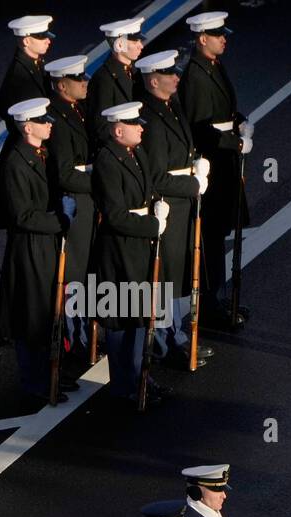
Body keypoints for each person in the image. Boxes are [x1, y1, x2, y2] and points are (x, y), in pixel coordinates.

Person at [138, 50, 212, 367]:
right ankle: (166, 342)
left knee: (179, 273)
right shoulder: (153, 121)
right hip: (169, 205)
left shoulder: (171, 107)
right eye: (170, 74)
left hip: (182, 205)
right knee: (165, 276)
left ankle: (176, 336)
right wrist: (193, 184)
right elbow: (155, 177)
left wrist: (193, 167)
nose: (177, 77)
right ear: (154, 81)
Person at [92, 101, 168, 406]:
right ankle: (124, 384)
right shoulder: (108, 161)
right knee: (119, 319)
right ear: (118, 129)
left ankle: (140, 376)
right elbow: (115, 215)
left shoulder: (135, 154)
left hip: (138, 246)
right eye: (135, 124)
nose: (141, 128)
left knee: (137, 315)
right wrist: (153, 224)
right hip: (119, 250)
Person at [180, 11, 250, 329]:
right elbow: (202, 126)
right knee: (210, 234)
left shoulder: (213, 65)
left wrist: (240, 120)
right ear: (202, 38)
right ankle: (209, 303)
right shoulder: (195, 74)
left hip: (224, 159)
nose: (224, 38)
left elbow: (223, 109)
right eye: (218, 34)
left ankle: (217, 299)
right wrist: (234, 143)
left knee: (219, 230)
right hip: (214, 161)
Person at [0, 98, 64, 401]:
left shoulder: (40, 154)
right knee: (31, 316)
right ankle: (34, 382)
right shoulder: (16, 162)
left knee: (45, 313)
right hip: (29, 248)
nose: (49, 124)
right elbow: (22, 215)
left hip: (45, 244)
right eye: (42, 121)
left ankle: (46, 377)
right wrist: (60, 219)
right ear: (27, 127)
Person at [44, 55, 96, 355]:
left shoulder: (75, 111)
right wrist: (99, 182)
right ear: (62, 85)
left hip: (86, 201)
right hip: (75, 202)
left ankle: (81, 334)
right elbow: (64, 173)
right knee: (74, 275)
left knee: (85, 271)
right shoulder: (59, 120)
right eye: (79, 79)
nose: (85, 82)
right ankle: (71, 338)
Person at [87, 18, 145, 149]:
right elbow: (101, 126)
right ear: (119, 45)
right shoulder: (103, 79)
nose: (141, 45)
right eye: (135, 41)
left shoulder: (136, 72)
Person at [0, 16, 54, 122]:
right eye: (42, 37)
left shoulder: (36, 61)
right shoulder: (19, 76)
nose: (48, 41)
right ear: (26, 41)